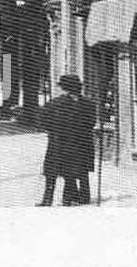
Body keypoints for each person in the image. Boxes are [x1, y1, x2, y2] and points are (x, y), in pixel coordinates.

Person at [38, 73, 97, 206]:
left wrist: (53, 130)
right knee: (79, 171)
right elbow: (91, 123)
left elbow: (43, 121)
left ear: (64, 88)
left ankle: (48, 199)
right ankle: (78, 197)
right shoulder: (89, 104)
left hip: (59, 143)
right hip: (82, 143)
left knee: (53, 172)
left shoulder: (55, 104)